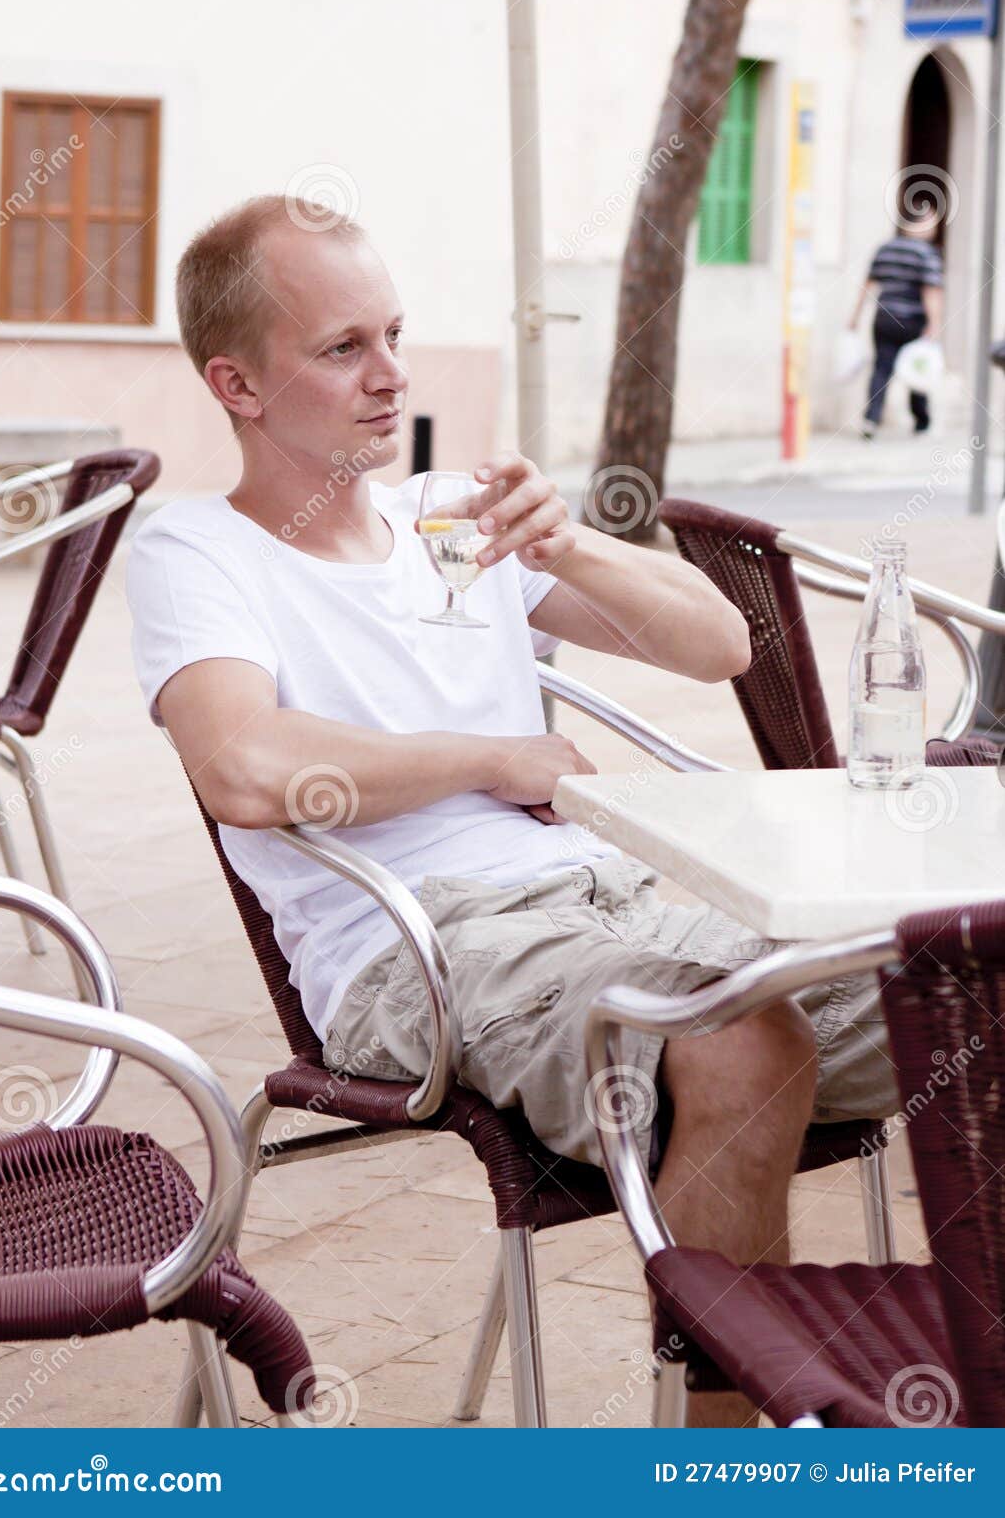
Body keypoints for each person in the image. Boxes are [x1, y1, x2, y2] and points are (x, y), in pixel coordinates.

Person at [127, 195, 899, 1426]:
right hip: (421, 952)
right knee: (733, 1036)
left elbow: (718, 646)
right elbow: (245, 767)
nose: (390, 377)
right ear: (238, 384)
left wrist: (572, 549)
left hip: (614, 894)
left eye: (395, 335)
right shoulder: (201, 553)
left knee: (967, 980)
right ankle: (715, 1461)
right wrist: (492, 758)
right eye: (342, 350)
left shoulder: (443, 518)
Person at [851, 211, 944, 437]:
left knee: (881, 368)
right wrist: (935, 324)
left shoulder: (885, 249)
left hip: (884, 318)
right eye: (930, 222)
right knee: (917, 368)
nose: (933, 228)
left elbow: (868, 286)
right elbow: (930, 292)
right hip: (913, 320)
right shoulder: (926, 254)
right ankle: (921, 422)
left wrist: (854, 317)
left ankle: (871, 419)